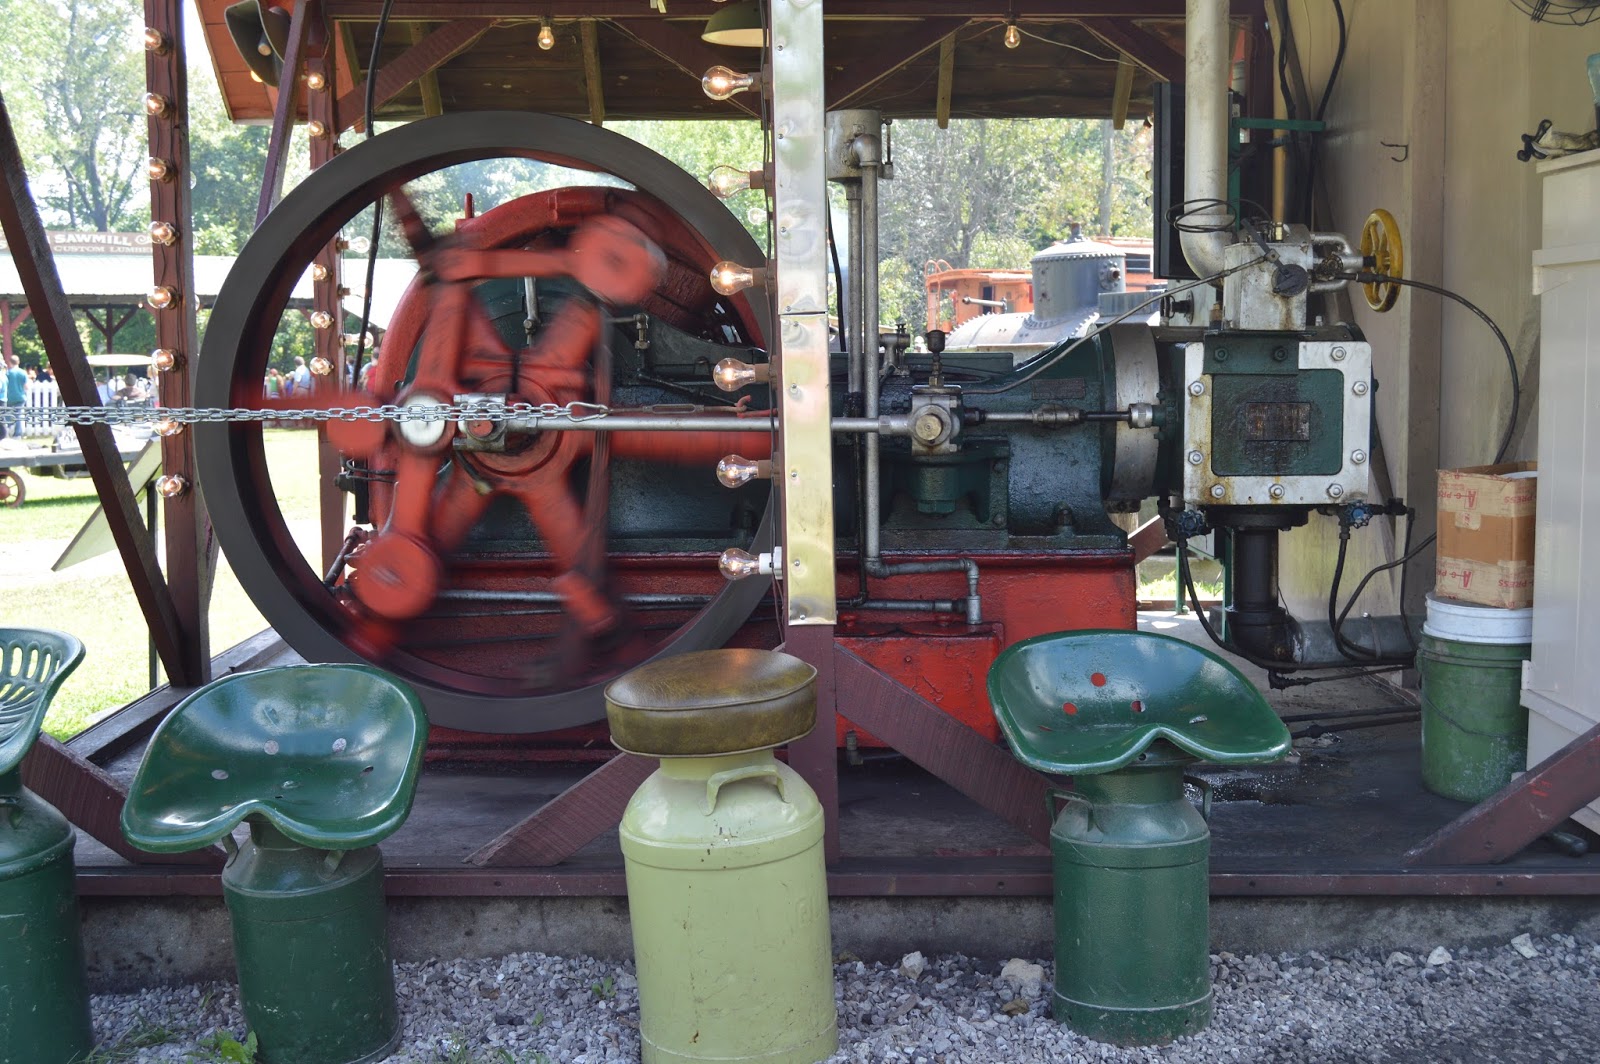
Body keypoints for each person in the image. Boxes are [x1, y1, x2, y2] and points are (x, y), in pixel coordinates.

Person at [2, 355, 27, 441]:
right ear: (18, 362)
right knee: (18, 416)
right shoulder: (23, 372)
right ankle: (17, 434)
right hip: (20, 397)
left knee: (7, 416)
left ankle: (7, 431)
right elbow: (26, 386)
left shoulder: (8, 373)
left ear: (10, 362)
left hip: (9, 398)